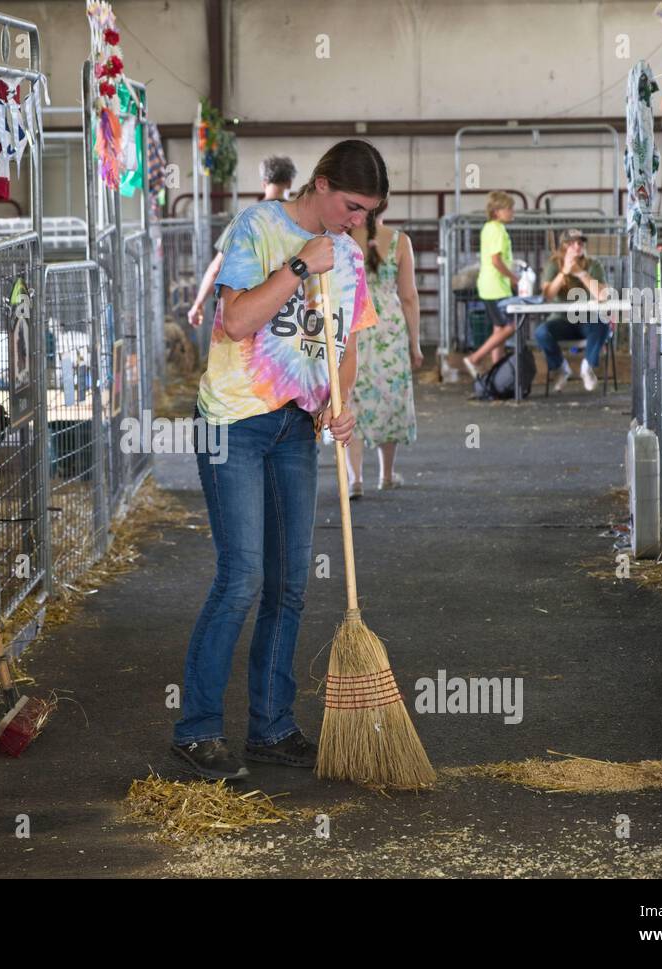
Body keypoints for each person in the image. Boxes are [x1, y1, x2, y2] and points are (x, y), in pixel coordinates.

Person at [172, 139, 387, 780]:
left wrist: (338, 403)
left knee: (290, 583)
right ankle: (196, 729)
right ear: (320, 184)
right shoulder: (256, 229)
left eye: (366, 212)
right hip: (231, 423)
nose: (357, 222)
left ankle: (271, 725)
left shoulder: (349, 256)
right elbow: (234, 322)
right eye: (352, 206)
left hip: (295, 427)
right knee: (241, 577)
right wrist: (298, 267)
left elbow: (344, 341)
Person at [344, 208, 421, 496]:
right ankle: (386, 474)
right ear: (385, 206)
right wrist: (415, 343)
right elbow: (409, 296)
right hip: (388, 328)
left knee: (350, 398)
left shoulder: (341, 237)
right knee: (390, 395)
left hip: (351, 324)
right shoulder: (400, 241)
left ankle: (355, 479)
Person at [188, 155, 297, 328]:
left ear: (264, 182)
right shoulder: (300, 222)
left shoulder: (246, 220)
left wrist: (198, 304)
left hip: (249, 314)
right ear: (290, 183)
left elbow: (217, 268)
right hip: (291, 318)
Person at [532, 228, 609, 392]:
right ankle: (560, 367)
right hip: (561, 320)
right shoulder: (553, 264)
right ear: (564, 246)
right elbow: (547, 295)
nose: (577, 246)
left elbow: (602, 295)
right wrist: (564, 272)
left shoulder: (593, 264)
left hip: (587, 319)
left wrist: (580, 273)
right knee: (541, 333)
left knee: (603, 323)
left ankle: (587, 366)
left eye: (580, 242)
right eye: (572, 242)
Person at [462, 191, 520, 380]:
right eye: (508, 208)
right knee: (510, 327)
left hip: (489, 285)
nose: (512, 212)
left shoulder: (489, 227)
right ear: (496, 211)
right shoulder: (497, 230)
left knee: (499, 329)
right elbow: (496, 260)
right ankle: (475, 358)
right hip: (496, 287)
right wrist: (513, 277)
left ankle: (496, 372)